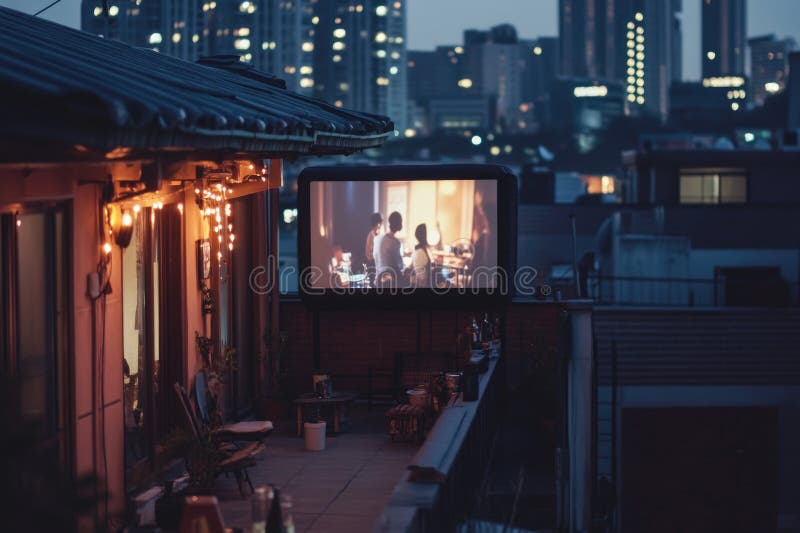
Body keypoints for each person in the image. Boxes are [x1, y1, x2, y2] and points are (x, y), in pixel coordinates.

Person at [374, 211, 404, 284]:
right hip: (389, 282)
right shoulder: (395, 242)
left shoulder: (377, 238)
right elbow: (398, 265)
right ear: (399, 224)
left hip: (378, 281)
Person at [412, 223, 432, 287]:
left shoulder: (419, 250)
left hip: (422, 282)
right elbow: (422, 277)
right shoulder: (420, 252)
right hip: (422, 285)